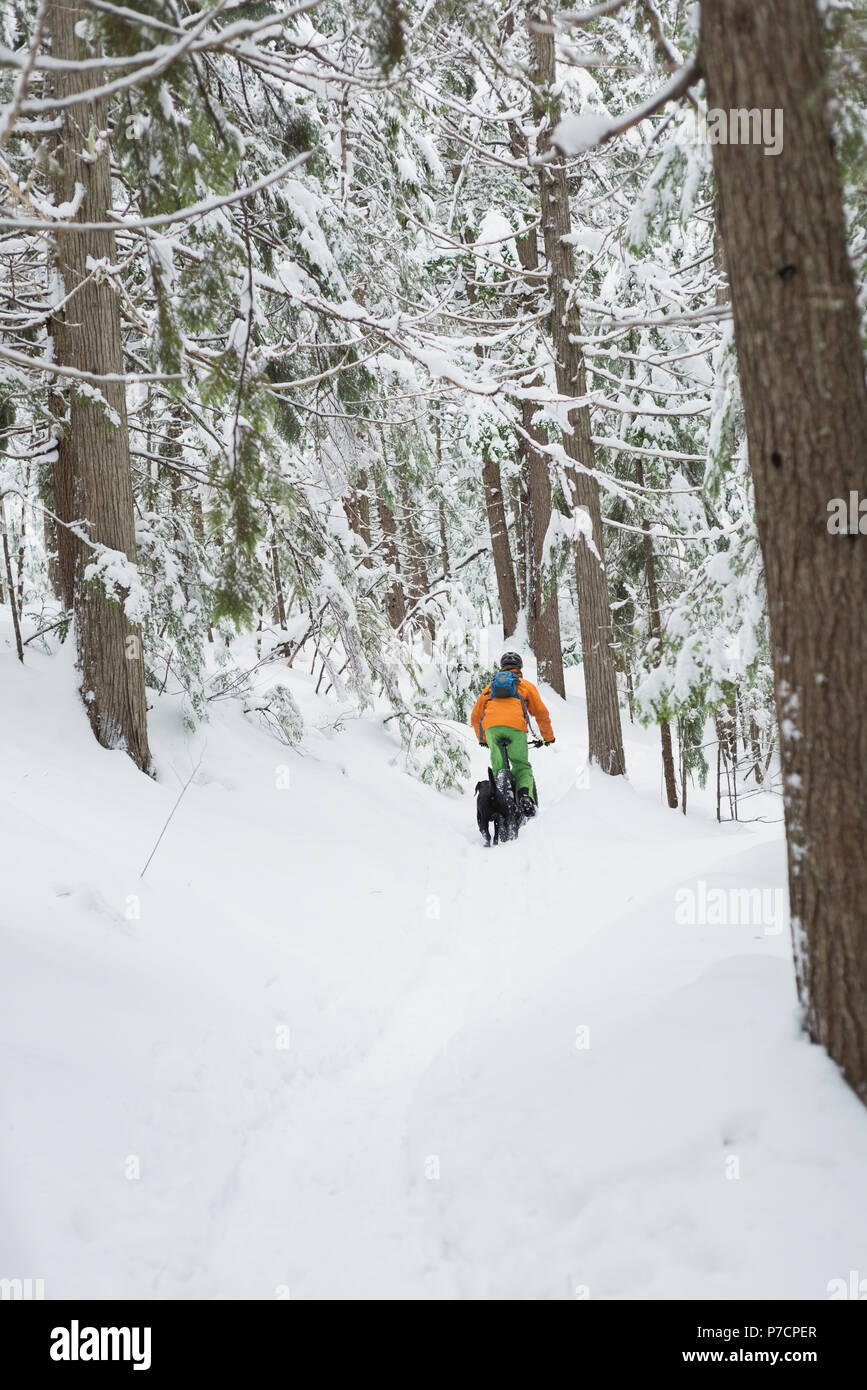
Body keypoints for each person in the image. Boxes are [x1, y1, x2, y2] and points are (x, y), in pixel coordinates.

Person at [470, 652, 555, 817]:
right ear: (520, 668)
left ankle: (500, 802)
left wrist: (483, 739)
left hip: (492, 728)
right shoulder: (525, 685)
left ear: (502, 667)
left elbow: (475, 717)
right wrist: (548, 737)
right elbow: (541, 713)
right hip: (515, 728)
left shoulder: (490, 687)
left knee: (498, 768)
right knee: (521, 766)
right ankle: (524, 797)